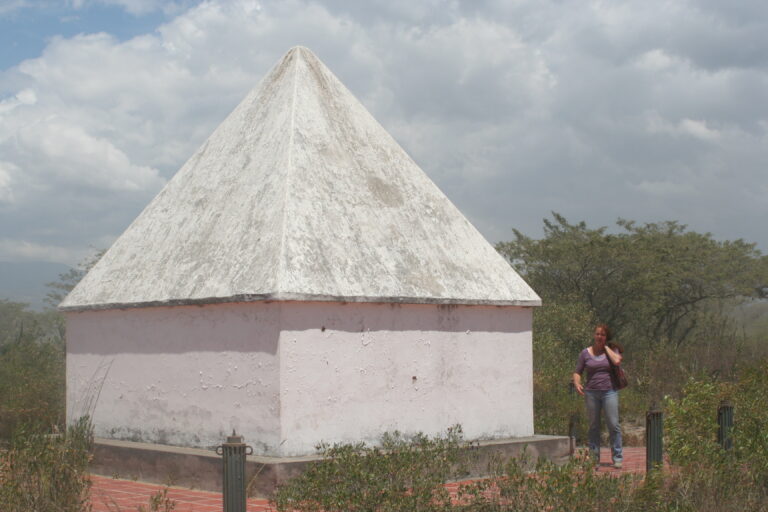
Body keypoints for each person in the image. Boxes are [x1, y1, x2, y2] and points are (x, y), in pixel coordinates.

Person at [573, 324, 623, 468]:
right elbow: (578, 371)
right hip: (591, 392)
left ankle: (617, 457)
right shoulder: (585, 353)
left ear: (606, 337)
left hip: (609, 391)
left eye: (602, 335)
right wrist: (577, 383)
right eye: (597, 334)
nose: (599, 337)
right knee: (593, 425)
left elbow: (617, 361)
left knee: (613, 424)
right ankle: (594, 458)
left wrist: (606, 348)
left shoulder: (612, 350)